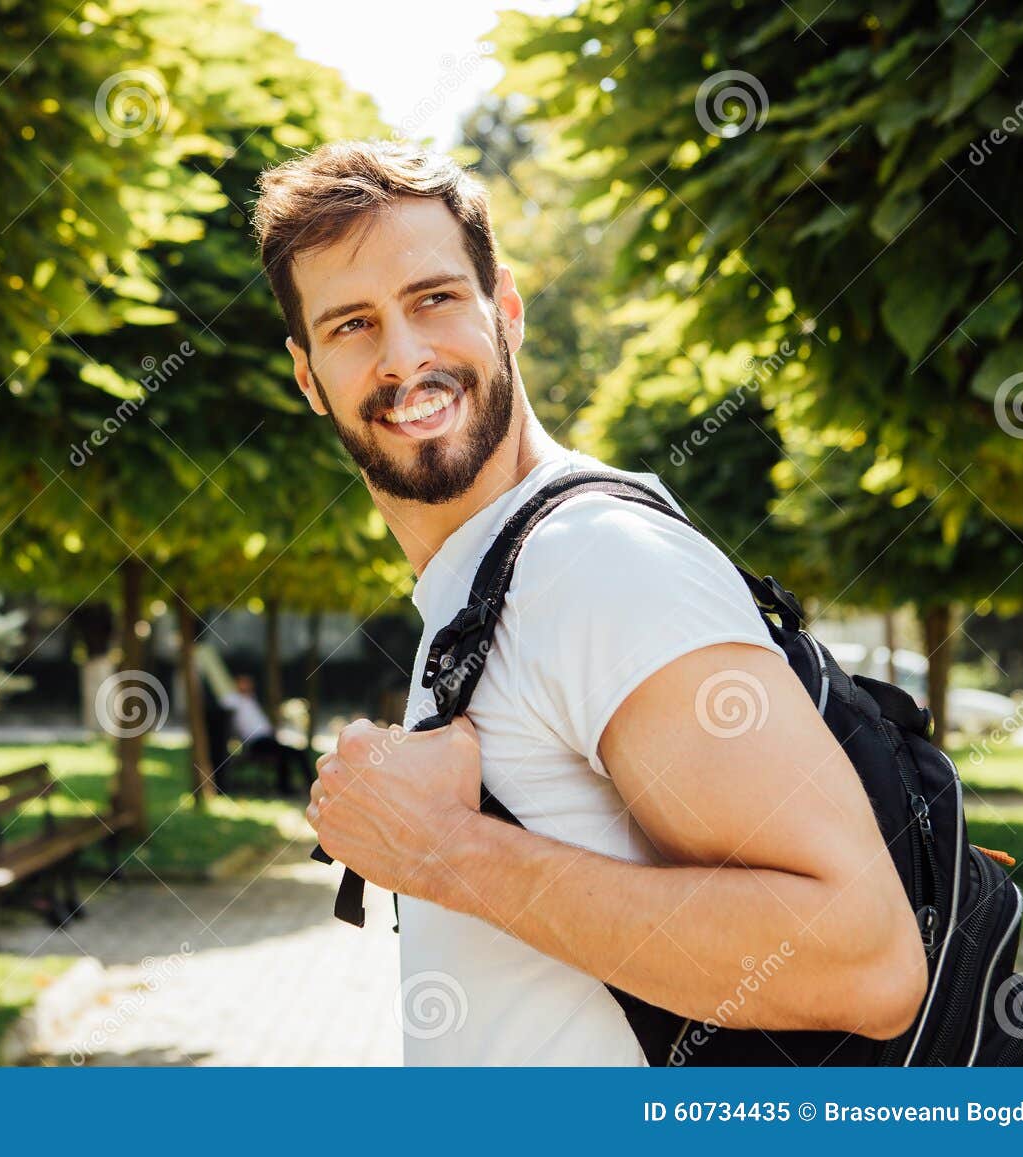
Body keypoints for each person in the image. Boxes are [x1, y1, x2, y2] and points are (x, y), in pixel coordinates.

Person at [253, 141, 925, 1065]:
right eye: (352, 325)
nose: (404, 357)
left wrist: (445, 849)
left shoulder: (596, 564)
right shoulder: (488, 584)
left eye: (434, 299)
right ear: (307, 375)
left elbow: (867, 961)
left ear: (508, 310)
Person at [219, 675, 310, 797]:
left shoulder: (251, 700)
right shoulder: (233, 700)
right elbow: (225, 706)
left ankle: (304, 785)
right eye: (243, 683)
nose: (247, 686)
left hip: (267, 738)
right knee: (284, 753)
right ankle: (286, 788)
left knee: (295, 752)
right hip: (254, 742)